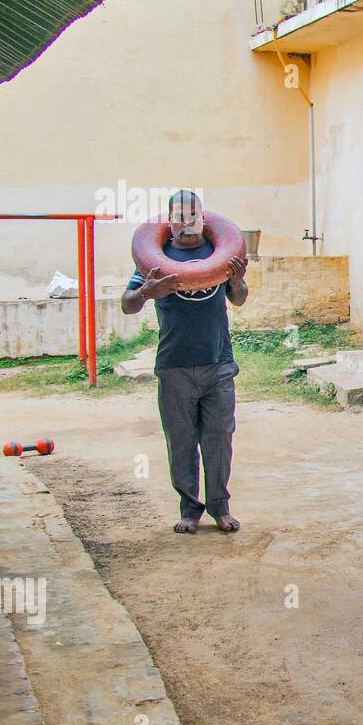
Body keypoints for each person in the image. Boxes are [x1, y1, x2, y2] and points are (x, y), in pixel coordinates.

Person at [121, 190, 248, 534]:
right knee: (181, 440)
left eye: (192, 215)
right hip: (174, 364)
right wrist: (148, 291)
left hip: (217, 362)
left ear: (203, 218)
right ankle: (190, 509)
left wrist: (236, 280)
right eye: (179, 216)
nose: (186, 222)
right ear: (169, 220)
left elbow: (238, 299)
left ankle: (220, 507)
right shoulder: (155, 258)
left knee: (219, 437)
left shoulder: (220, 254)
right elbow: (127, 304)